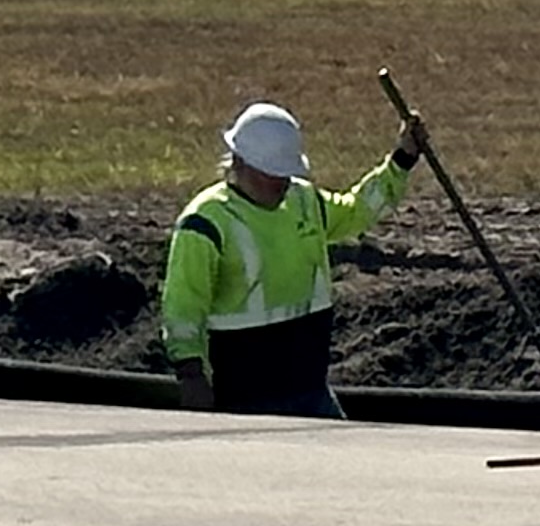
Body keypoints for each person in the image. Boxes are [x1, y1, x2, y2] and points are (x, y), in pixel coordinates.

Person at [162, 98, 428, 417]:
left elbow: (358, 210)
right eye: (272, 173)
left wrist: (401, 161)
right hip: (244, 401)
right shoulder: (205, 224)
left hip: (309, 389)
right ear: (241, 161)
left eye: (285, 172)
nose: (282, 181)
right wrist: (192, 375)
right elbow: (183, 309)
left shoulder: (304, 202)